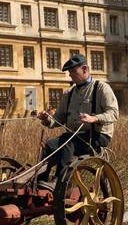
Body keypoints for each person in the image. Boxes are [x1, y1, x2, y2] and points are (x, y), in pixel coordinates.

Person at [34, 54, 118, 187]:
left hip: (97, 136)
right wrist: (47, 119)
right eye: (69, 72)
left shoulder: (101, 88)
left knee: (68, 141)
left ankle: (60, 182)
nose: (70, 75)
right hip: (74, 137)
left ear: (85, 69)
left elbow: (114, 113)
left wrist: (94, 118)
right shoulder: (69, 93)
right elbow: (58, 119)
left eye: (73, 71)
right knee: (50, 144)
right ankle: (39, 181)